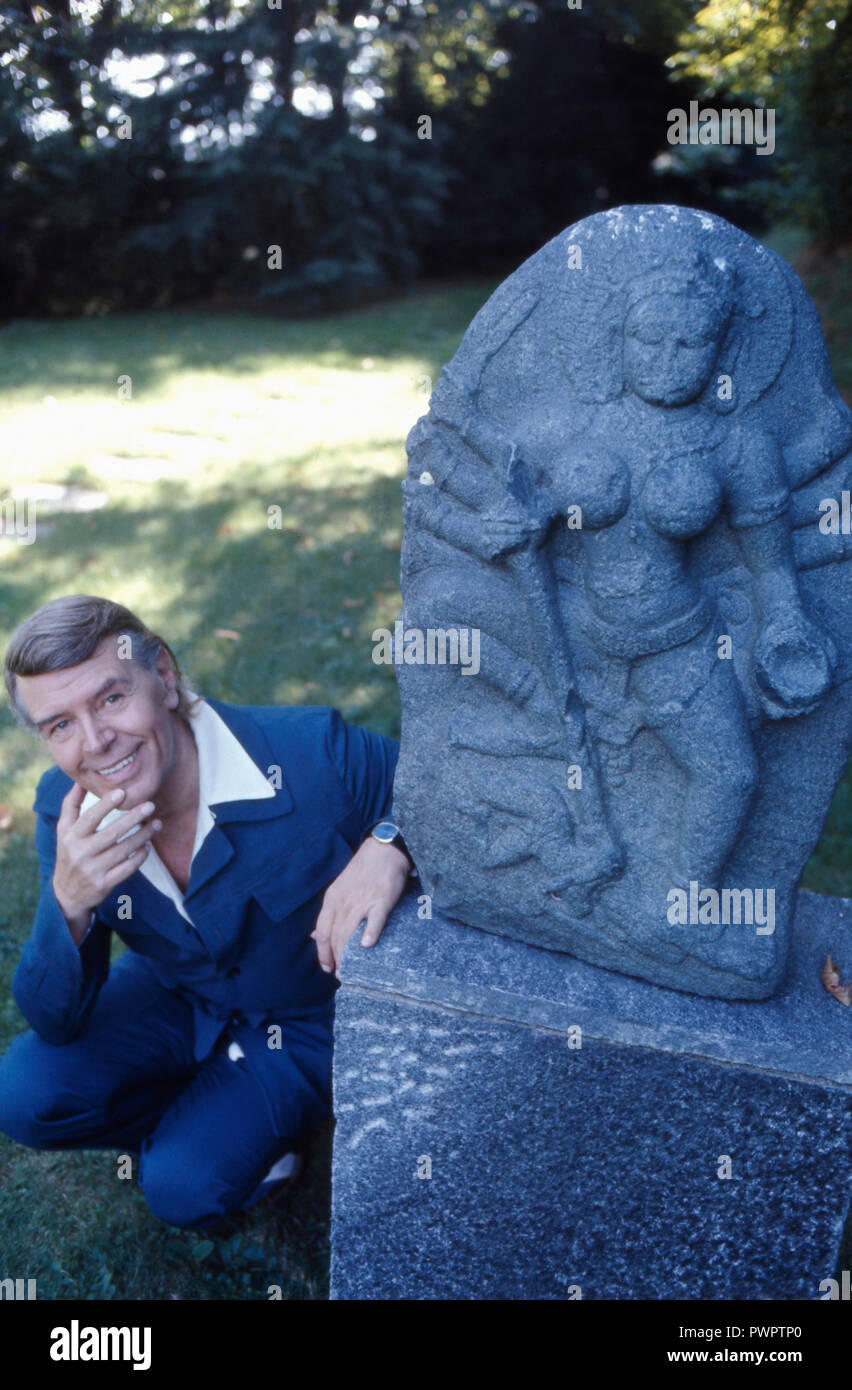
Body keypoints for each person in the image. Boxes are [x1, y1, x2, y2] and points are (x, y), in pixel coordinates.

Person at [0, 594, 412, 1228]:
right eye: (60, 725)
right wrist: (70, 903)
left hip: (310, 1018)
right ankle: (203, 1115)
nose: (96, 742)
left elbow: (438, 785)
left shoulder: (312, 753)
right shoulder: (65, 808)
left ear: (163, 677)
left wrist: (392, 840)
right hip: (182, 995)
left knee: (182, 1190)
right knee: (22, 1093)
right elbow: (53, 1019)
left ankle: (222, 1134)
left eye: (111, 698)